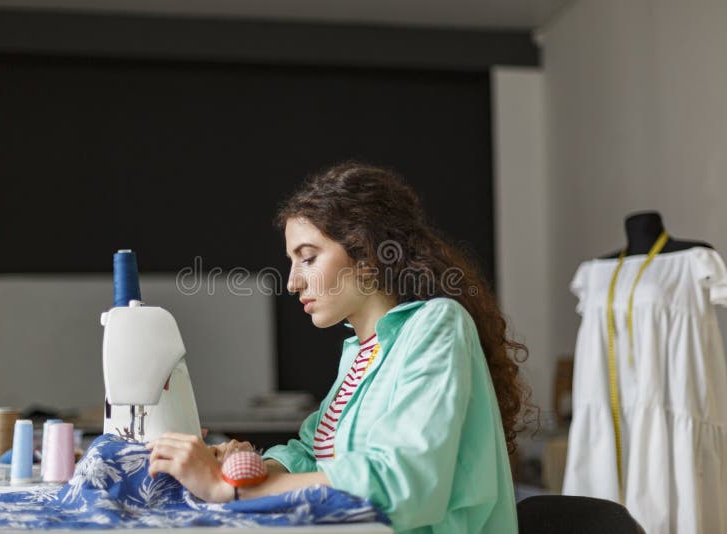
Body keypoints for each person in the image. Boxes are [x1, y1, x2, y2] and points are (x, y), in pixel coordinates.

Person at [147, 162, 531, 533]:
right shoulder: (363, 351)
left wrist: (232, 490)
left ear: (365, 255)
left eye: (308, 258)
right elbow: (313, 454)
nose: (293, 283)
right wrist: (253, 466)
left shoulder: (436, 324)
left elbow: (407, 483)